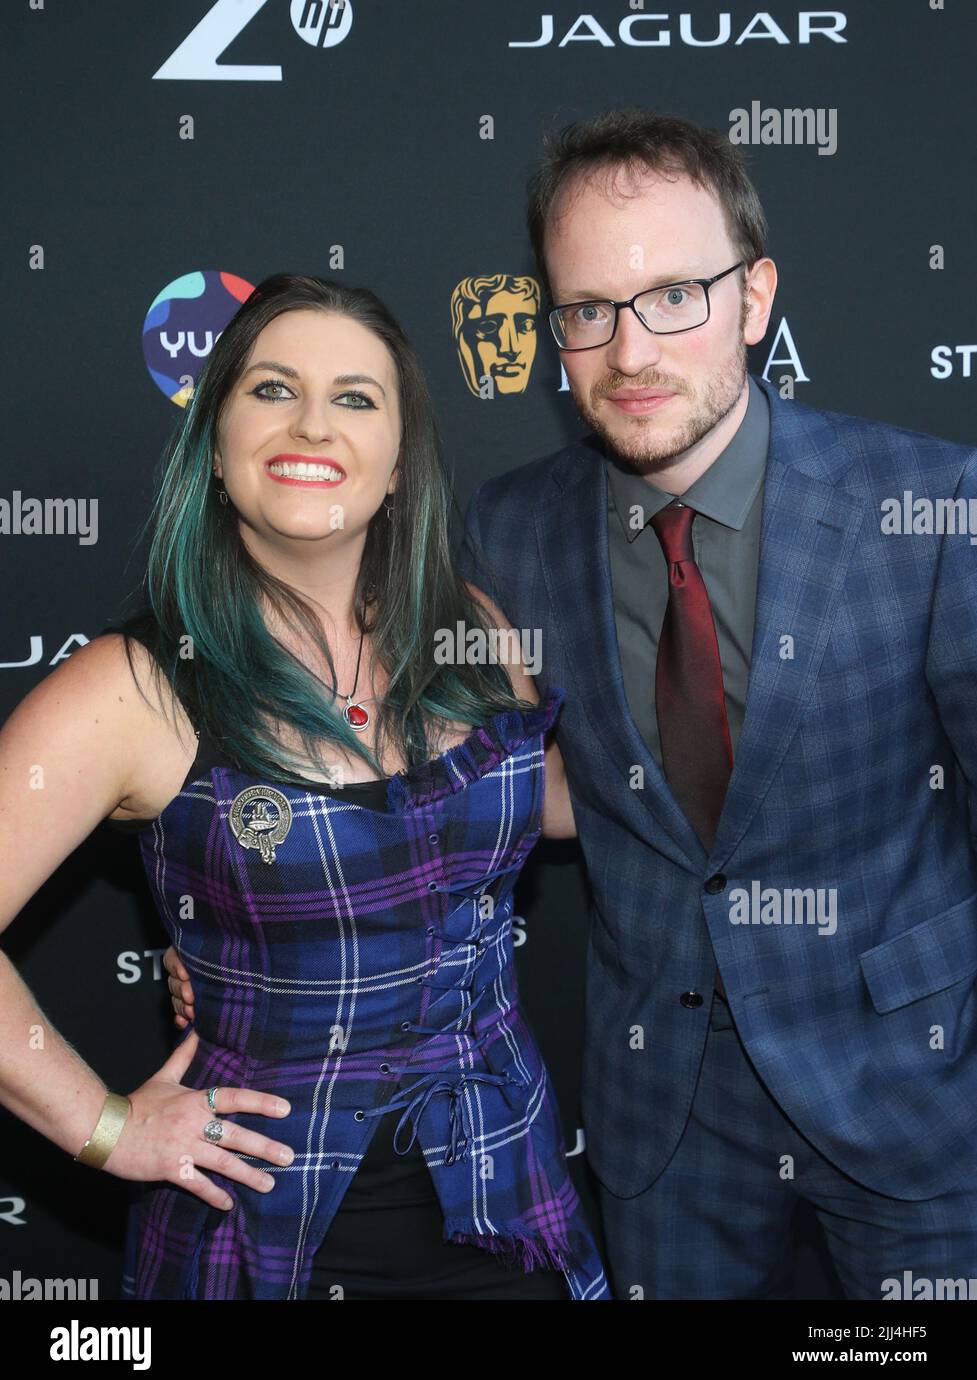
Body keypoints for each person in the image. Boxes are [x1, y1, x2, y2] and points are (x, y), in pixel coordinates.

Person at [170, 109, 977, 1302]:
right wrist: (235, 938)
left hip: (910, 1096)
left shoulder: (930, 508)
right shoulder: (502, 534)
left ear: (754, 298)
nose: (630, 349)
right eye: (588, 311)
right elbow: (407, 779)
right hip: (660, 1126)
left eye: (673, 297)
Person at [0, 272, 610, 1301]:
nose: (313, 424)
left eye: (356, 397)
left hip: (508, 1203)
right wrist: (100, 1125)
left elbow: (540, 802)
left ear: (398, 461)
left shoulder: (471, 627)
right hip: (266, 1237)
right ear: (216, 441)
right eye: (271, 388)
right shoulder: (133, 688)